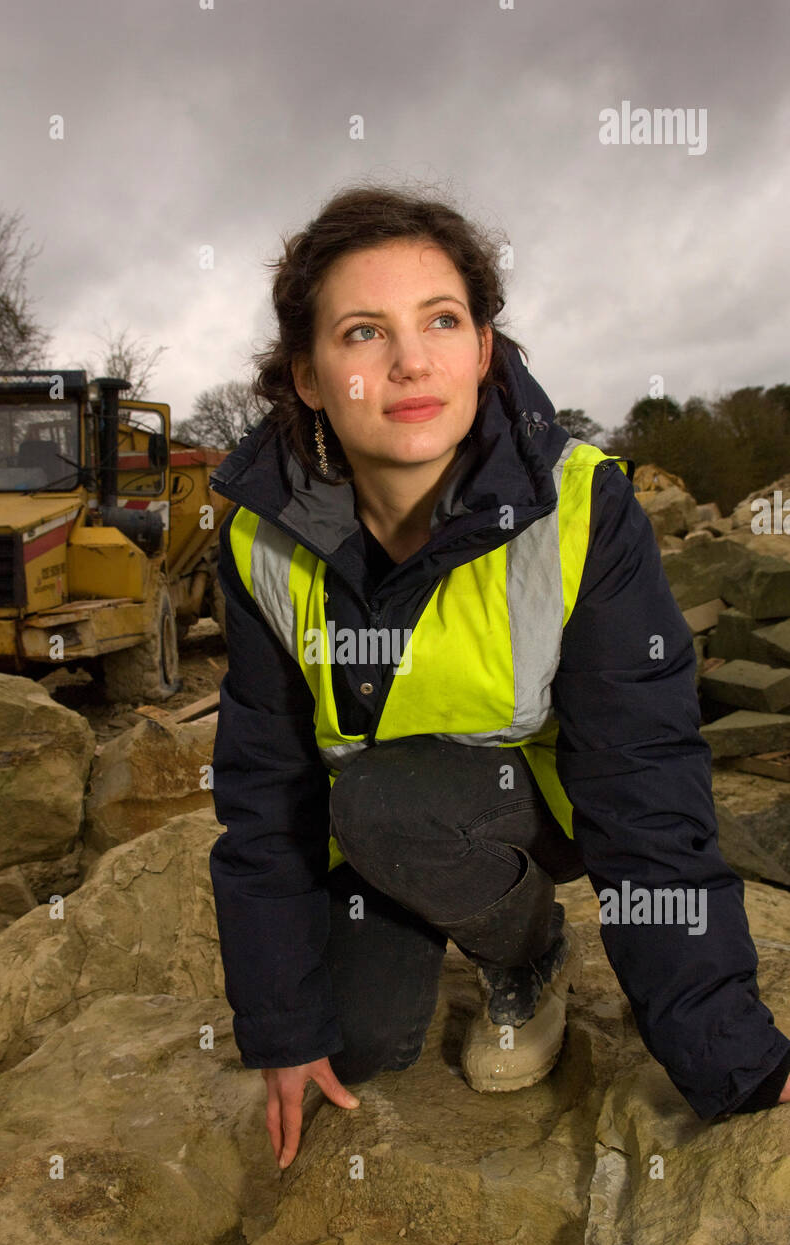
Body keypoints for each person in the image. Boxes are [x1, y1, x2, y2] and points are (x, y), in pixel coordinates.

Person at [208, 183, 790, 1171]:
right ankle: (425, 907)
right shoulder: (258, 534)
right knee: (352, 1045)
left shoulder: (579, 507)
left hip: (536, 811)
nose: (409, 361)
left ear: (483, 347)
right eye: (362, 332)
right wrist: (280, 1023)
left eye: (441, 319)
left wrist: (732, 1060)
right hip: (376, 830)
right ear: (307, 375)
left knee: (392, 804)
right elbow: (265, 786)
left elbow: (642, 775)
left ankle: (527, 949)